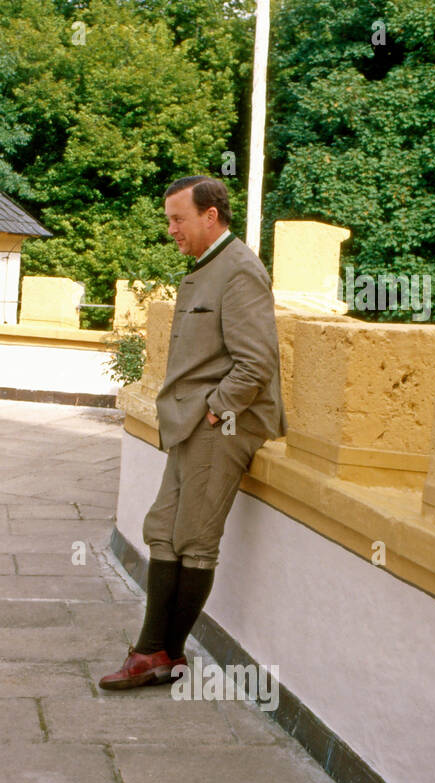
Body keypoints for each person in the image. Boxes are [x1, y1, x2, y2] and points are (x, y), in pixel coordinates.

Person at [100, 176, 286, 690]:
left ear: (212, 215)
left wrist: (214, 410)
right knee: (164, 531)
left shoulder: (240, 271)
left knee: (194, 542)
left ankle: (157, 655)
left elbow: (257, 363)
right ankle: (157, 652)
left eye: (178, 218)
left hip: (221, 426)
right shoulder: (208, 267)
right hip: (191, 423)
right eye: (168, 219)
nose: (171, 229)